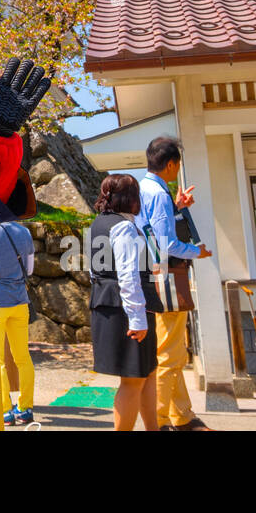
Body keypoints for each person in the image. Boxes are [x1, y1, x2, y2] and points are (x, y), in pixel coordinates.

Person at [139, 136, 212, 431]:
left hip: (151, 275)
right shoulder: (158, 194)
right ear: (170, 164)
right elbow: (165, 243)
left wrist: (177, 205)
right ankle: (156, 421)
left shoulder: (144, 188)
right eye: (177, 165)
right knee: (170, 353)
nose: (177, 171)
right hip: (167, 276)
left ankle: (182, 416)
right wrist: (198, 251)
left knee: (172, 349)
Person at [89, 174, 163, 430]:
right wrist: (138, 318)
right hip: (126, 309)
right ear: (130, 198)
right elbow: (128, 276)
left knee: (146, 372)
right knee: (133, 379)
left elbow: (95, 270)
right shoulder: (123, 227)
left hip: (105, 303)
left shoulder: (98, 223)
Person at [0, 218, 36, 426]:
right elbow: (30, 270)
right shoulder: (24, 232)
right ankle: (25, 407)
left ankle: (5, 410)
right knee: (23, 358)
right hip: (20, 300)